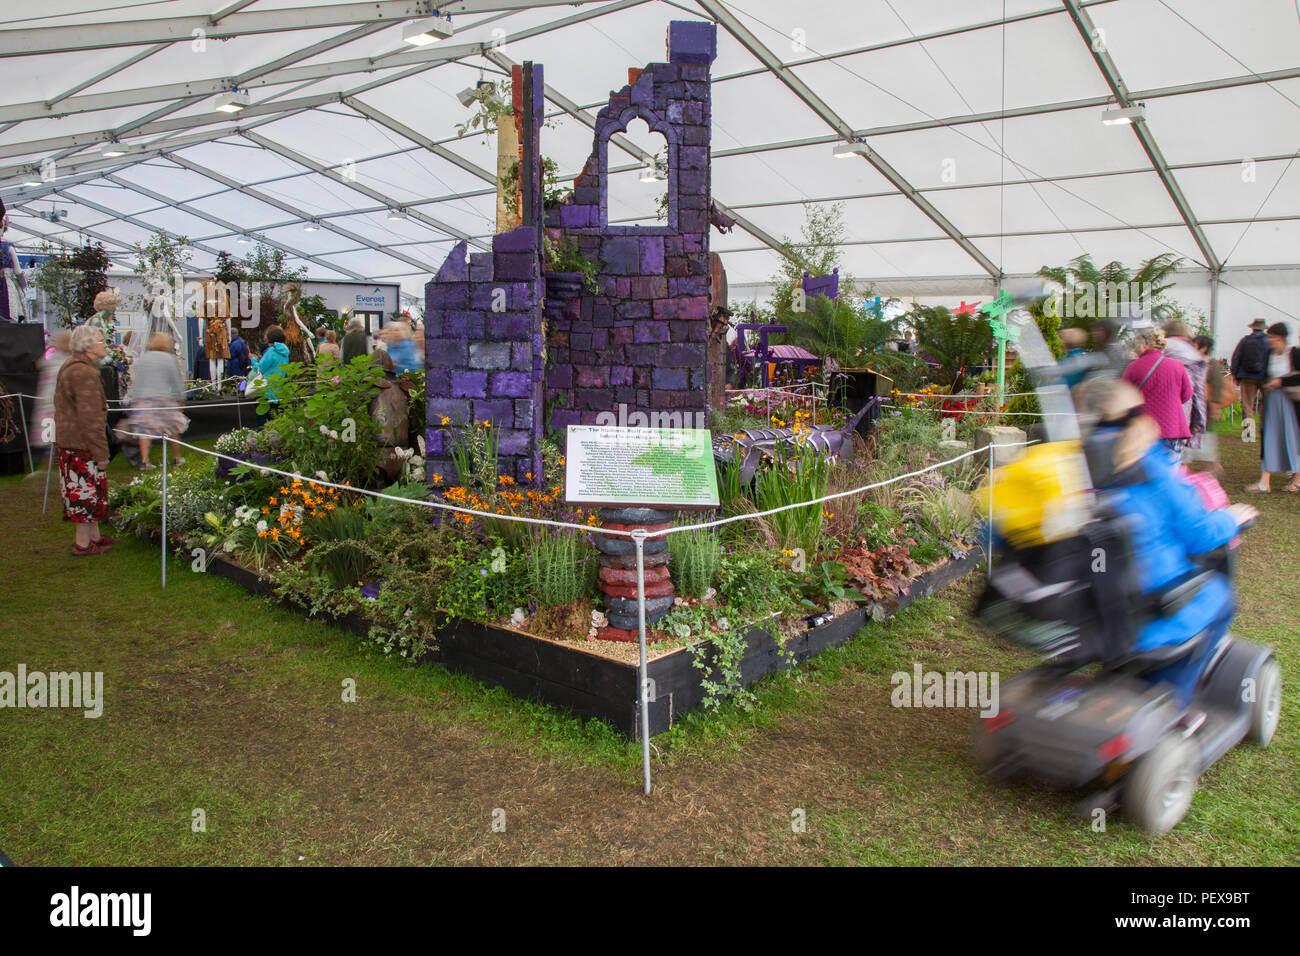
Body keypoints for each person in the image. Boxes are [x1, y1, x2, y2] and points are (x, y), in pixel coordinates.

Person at [1083, 381, 1257, 706]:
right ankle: (1178, 700)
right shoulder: (1149, 466)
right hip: (1153, 609)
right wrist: (1232, 519)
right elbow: (1200, 535)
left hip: (1095, 610)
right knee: (1220, 599)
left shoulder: (1079, 464)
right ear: (1138, 417)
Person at [54, 324, 113, 556]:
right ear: (88, 347)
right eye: (101, 341)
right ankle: (83, 544)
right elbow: (91, 419)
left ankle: (94, 537)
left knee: (89, 493)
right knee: (85, 495)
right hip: (82, 444)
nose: (105, 344)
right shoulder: (84, 372)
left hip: (72, 441)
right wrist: (101, 454)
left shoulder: (72, 366)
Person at [1245, 322, 1300, 493]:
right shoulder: (1269, 354)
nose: (1269, 340)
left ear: (1281, 338)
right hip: (1273, 400)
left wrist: (1280, 381)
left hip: (1291, 402)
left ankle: (1297, 478)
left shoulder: (1294, 353)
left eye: (1272, 337)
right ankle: (1264, 482)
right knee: (1270, 437)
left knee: (1293, 438)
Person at [1122, 327, 1192, 454]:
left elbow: (1122, 398)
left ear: (1143, 343)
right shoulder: (1177, 365)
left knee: (1146, 471)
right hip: (1173, 428)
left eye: (1135, 342)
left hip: (1144, 431)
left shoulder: (1133, 367)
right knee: (1170, 472)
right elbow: (1186, 395)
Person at [126, 333, 189, 470]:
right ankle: (176, 457)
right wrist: (180, 398)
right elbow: (175, 380)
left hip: (142, 399)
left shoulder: (142, 358)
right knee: (172, 428)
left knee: (144, 430)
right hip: (163, 398)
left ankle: (145, 460)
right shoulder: (169, 359)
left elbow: (136, 380)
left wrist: (132, 398)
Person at [1163, 321, 1207, 458]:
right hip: (1181, 416)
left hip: (1151, 417)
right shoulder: (1193, 357)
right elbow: (1198, 395)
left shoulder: (1154, 350)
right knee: (1173, 458)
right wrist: (1198, 427)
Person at [1230, 318, 1270, 419]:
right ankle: (1265, 431)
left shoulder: (1245, 340)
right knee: (1267, 405)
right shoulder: (1269, 341)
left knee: (1247, 405)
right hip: (1265, 377)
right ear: (1263, 329)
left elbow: (1236, 357)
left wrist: (1234, 374)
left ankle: (1248, 433)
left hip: (1246, 375)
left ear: (1253, 328)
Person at [256, 325, 291, 426]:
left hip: (267, 387)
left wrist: (253, 360)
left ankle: (263, 433)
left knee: (261, 414)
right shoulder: (285, 352)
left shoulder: (271, 351)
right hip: (279, 386)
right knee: (275, 415)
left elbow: (261, 368)